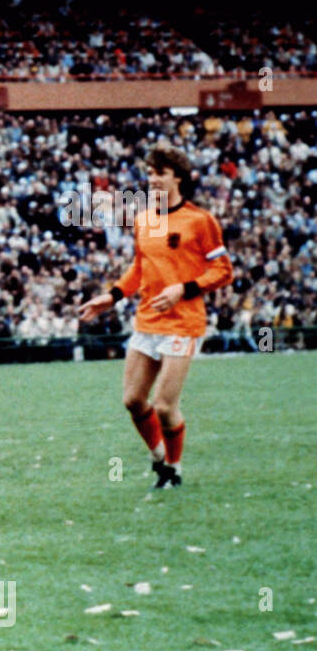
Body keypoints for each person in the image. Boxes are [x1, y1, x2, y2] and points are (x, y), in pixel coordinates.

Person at [79, 145, 234, 489]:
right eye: (149, 173)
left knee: (164, 407)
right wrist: (112, 295)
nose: (153, 179)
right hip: (147, 320)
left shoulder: (200, 220)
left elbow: (223, 270)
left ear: (177, 177)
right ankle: (159, 458)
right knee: (133, 400)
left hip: (183, 321)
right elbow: (139, 268)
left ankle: (174, 470)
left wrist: (184, 288)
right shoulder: (144, 219)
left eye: (160, 173)